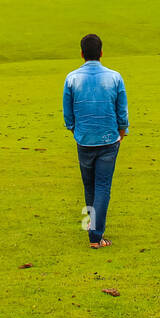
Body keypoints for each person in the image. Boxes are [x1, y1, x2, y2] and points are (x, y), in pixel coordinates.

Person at [62, 34, 129, 248]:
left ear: (82, 53)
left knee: (89, 184)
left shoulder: (72, 78)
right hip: (109, 138)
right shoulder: (114, 77)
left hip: (84, 139)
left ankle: (92, 226)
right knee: (102, 185)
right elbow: (122, 110)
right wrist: (122, 131)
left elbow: (68, 113)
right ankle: (95, 236)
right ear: (101, 53)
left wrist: (75, 131)